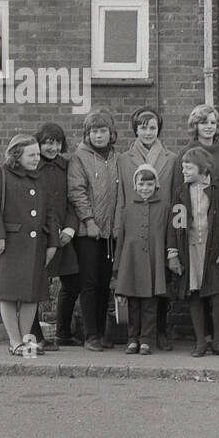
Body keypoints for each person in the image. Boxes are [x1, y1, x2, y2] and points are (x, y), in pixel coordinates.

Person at [0, 134, 59, 355]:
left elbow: (50, 213)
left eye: (38, 154)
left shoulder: (41, 178)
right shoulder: (1, 174)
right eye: (32, 154)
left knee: (32, 295)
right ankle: (14, 341)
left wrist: (52, 244)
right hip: (10, 244)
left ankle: (25, 340)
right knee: (8, 294)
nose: (37, 158)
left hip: (37, 245)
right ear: (17, 155)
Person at [167, 146, 219, 357]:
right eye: (183, 168)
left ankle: (218, 341)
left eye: (188, 168)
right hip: (190, 251)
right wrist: (173, 254)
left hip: (215, 251)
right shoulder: (180, 193)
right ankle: (200, 342)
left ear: (202, 168)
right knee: (194, 294)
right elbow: (175, 224)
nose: (184, 172)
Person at [117, 107, 177, 349]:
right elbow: (122, 197)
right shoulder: (123, 159)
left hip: (158, 227)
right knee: (136, 295)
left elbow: (172, 194)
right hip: (133, 229)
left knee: (157, 288)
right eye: (143, 127)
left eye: (152, 127)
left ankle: (156, 334)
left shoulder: (171, 158)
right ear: (136, 130)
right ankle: (136, 337)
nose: (148, 132)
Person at [67, 108, 122, 352]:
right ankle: (91, 335)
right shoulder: (80, 157)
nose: (98, 135)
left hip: (110, 232)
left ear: (111, 134)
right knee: (89, 282)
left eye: (102, 130)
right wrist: (89, 220)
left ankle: (102, 332)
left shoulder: (117, 158)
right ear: (86, 134)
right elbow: (76, 191)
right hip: (88, 232)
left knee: (104, 282)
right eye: (93, 131)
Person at [28, 121, 78, 351]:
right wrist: (50, 231)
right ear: (39, 143)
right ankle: (35, 336)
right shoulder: (31, 167)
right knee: (36, 287)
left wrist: (69, 229)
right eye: (48, 142)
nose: (52, 147)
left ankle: (64, 333)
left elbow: (73, 200)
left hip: (63, 235)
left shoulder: (66, 167)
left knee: (73, 281)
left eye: (57, 142)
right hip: (40, 236)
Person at [113, 163, 170, 355]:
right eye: (141, 184)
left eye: (149, 184)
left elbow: (168, 236)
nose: (145, 188)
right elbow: (121, 239)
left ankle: (146, 340)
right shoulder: (128, 209)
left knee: (150, 305)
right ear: (135, 186)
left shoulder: (164, 208)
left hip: (154, 262)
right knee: (133, 305)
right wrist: (118, 266)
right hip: (132, 263)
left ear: (156, 185)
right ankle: (132, 339)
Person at [173, 104, 219, 210]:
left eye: (212, 123)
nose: (209, 126)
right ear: (195, 126)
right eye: (203, 123)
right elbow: (177, 189)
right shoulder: (185, 153)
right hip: (194, 212)